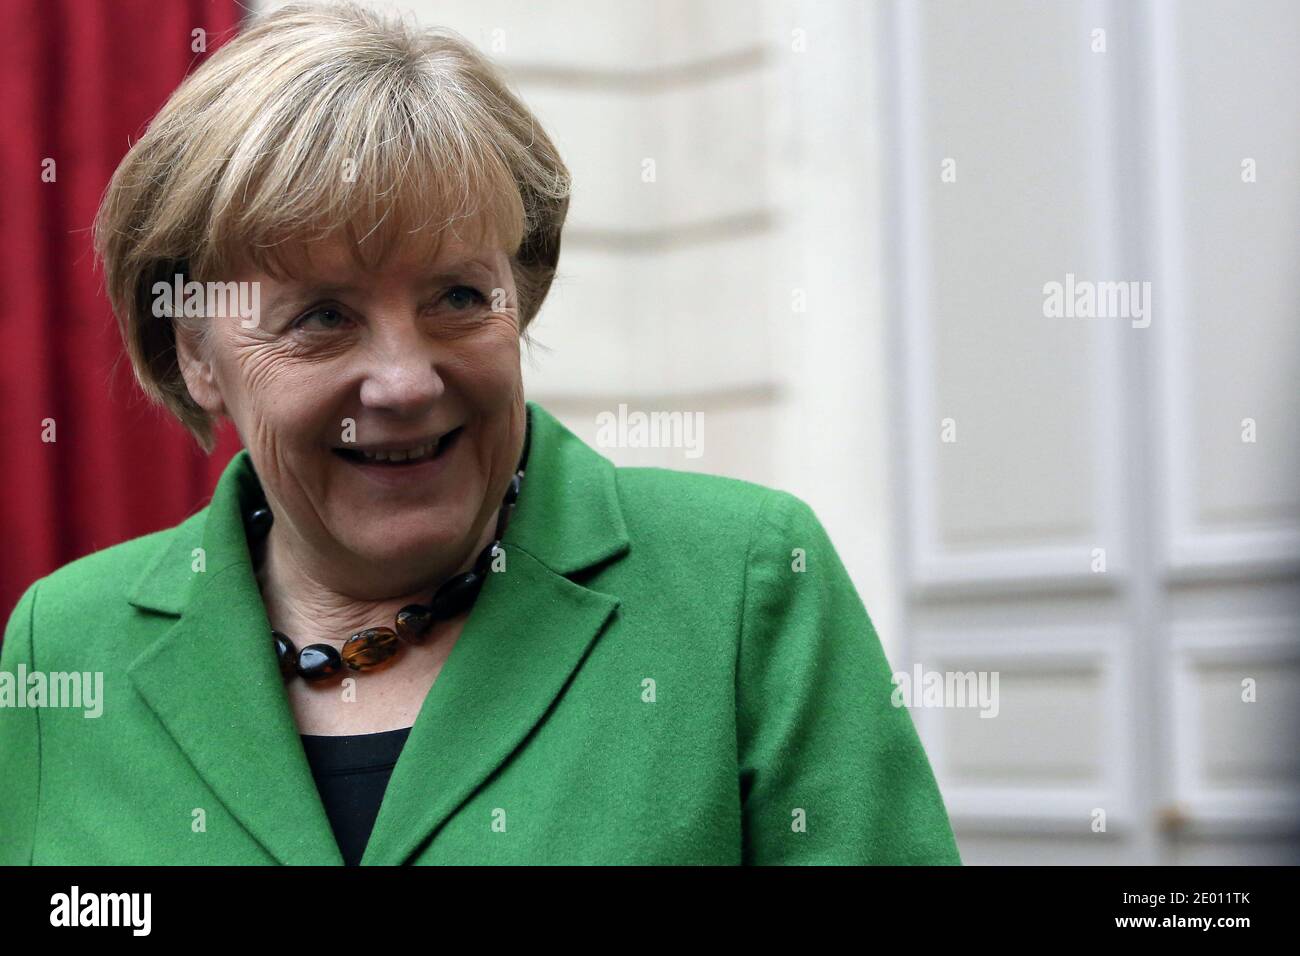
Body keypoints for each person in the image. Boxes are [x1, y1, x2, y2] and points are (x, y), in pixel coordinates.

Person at [0, 1, 960, 865]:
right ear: (198, 352)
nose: (408, 381)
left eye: (459, 296)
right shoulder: (64, 644)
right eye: (321, 317)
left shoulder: (744, 585)